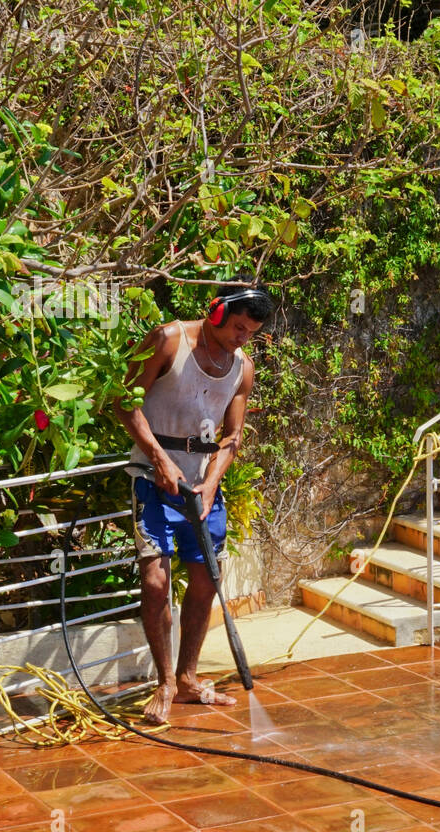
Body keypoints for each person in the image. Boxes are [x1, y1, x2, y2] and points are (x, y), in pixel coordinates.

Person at [115, 280, 273, 724]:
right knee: (155, 583)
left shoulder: (243, 367)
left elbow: (233, 437)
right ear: (217, 313)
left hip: (204, 488)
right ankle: (164, 681)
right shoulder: (168, 341)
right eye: (237, 327)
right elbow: (124, 401)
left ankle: (187, 680)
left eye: (251, 333)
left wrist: (210, 483)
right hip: (154, 481)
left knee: (206, 583)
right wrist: (160, 462)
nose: (242, 339)